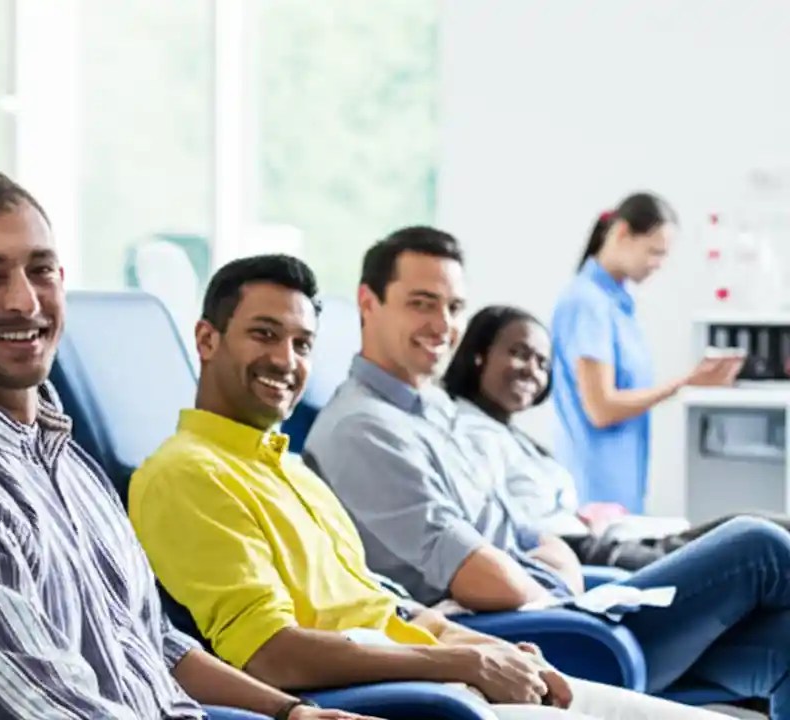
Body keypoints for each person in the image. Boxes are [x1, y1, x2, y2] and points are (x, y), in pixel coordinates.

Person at [0, 169, 370, 720]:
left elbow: (151, 643)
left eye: (40, 271)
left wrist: (294, 714)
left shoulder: (61, 459)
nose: (25, 300)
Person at [129, 254, 724, 719]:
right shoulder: (186, 473)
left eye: (302, 343)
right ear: (207, 340)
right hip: (409, 698)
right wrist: (464, 663)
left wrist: (493, 651)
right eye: (264, 335)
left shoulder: (292, 469)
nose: (286, 359)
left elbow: (387, 607)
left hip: (444, 673)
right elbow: (270, 654)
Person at [303, 226, 790, 717]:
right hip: (530, 639)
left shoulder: (429, 411)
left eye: (454, 308)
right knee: (759, 544)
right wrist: (561, 583)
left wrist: (559, 566)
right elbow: (478, 578)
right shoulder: (361, 429)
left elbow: (521, 529)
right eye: (422, 303)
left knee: (785, 641)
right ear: (368, 302)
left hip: (559, 607)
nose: (442, 325)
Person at [443, 304, 790, 570]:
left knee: (746, 523)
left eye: (542, 362)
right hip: (581, 554)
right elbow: (494, 528)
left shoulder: (506, 434)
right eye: (519, 353)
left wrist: (587, 516)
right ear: (479, 355)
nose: (532, 370)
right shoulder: (471, 434)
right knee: (755, 540)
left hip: (600, 537)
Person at [551, 193, 738, 513]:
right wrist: (684, 383)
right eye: (653, 252)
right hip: (593, 491)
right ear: (622, 233)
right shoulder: (587, 304)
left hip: (623, 489)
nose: (657, 265)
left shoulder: (619, 305)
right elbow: (601, 408)